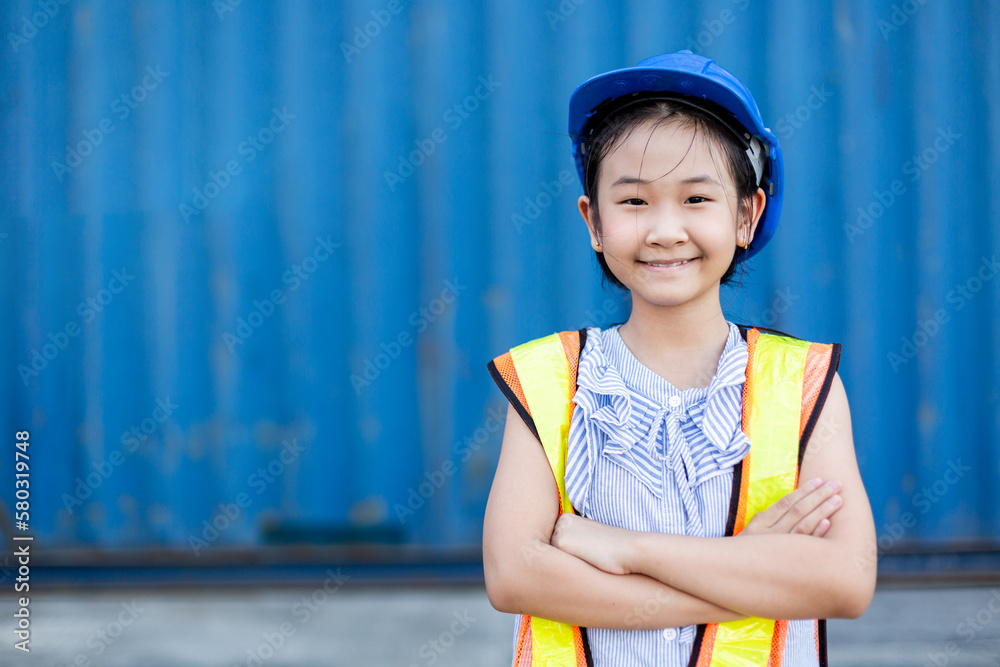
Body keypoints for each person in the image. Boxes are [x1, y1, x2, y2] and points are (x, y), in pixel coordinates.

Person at [482, 51, 876, 666]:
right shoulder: (550, 381)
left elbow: (845, 582)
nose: (665, 230)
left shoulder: (800, 384)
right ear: (593, 221)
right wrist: (750, 569)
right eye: (634, 202)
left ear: (747, 215)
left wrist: (628, 549)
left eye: (696, 199)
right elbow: (513, 576)